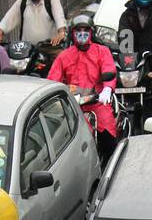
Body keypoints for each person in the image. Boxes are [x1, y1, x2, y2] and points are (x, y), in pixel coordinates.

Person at [48, 14, 118, 160]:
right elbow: (52, 80)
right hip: (74, 105)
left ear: (91, 32)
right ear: (72, 33)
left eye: (85, 30)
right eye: (78, 30)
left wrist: (107, 89)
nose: (82, 33)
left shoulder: (102, 51)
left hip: (97, 102)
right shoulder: (64, 56)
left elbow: (109, 71)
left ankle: (111, 162)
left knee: (108, 136)